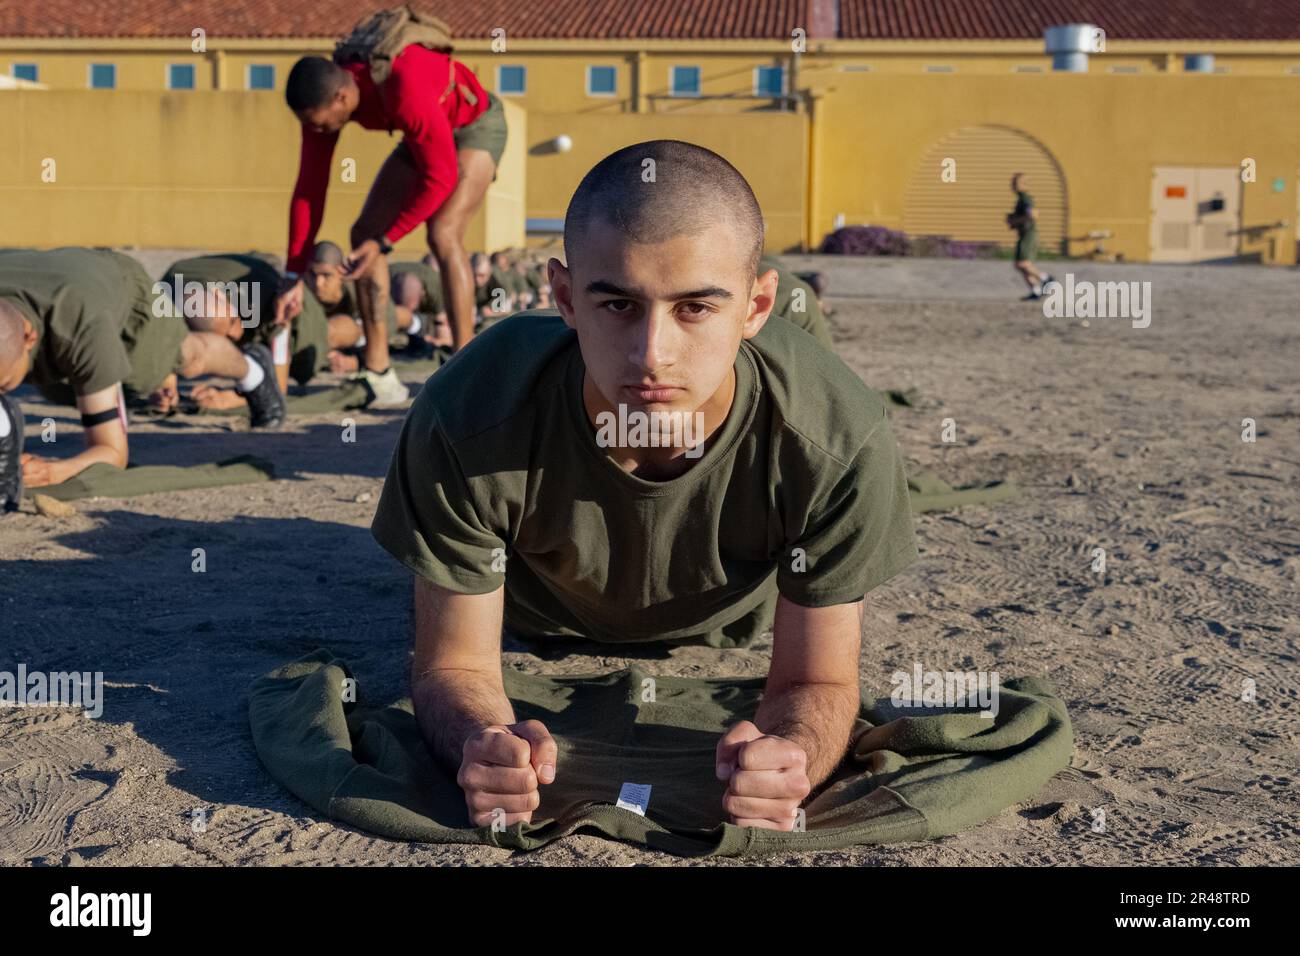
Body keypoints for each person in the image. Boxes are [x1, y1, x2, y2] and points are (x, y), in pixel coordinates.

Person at [370, 140, 920, 832]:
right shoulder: (467, 416)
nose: (651, 353)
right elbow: (453, 665)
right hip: (537, 612)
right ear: (564, 297)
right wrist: (483, 742)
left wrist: (793, 755)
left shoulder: (836, 443)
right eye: (619, 305)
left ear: (756, 307)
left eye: (695, 308)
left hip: (726, 616)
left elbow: (819, 681)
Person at [274, 39, 508, 405]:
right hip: (425, 134)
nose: (317, 133)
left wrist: (385, 242)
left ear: (340, 98)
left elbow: (442, 176)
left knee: (443, 233)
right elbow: (310, 188)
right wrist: (292, 273)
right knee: (362, 233)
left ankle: (467, 367)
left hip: (474, 124)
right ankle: (380, 372)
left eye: (319, 126)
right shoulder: (321, 107)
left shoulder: (405, 89)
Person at [0, 248, 284, 501]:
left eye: (5, 384)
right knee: (64, 387)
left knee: (180, 359)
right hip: (63, 279)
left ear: (28, 338)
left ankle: (254, 372)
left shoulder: (83, 331)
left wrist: (56, 471)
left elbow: (112, 452)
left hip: (123, 292)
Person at [1007, 173, 1056, 300]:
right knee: (1019, 264)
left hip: (1028, 235)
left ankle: (1047, 279)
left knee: (1023, 264)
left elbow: (1032, 214)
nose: (1013, 186)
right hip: (1023, 234)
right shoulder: (1020, 199)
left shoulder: (1025, 199)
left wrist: (1016, 221)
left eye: (1015, 183)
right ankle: (1036, 291)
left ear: (1023, 184)